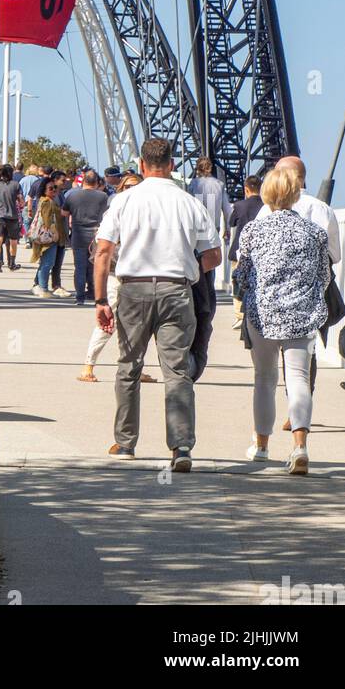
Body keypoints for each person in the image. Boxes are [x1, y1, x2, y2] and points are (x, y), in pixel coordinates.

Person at [93, 136, 221, 471]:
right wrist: (190, 270)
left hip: (133, 290)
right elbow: (214, 255)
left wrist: (100, 300)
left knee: (128, 367)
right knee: (176, 370)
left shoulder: (124, 201)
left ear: (141, 165)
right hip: (175, 290)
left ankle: (125, 442)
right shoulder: (190, 203)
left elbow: (104, 251)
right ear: (172, 165)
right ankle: (180, 446)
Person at [235, 165, 331, 475]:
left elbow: (241, 275)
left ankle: (262, 446)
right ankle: (300, 446)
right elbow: (324, 276)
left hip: (263, 314)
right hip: (301, 314)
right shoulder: (314, 232)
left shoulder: (253, 231)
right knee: (298, 378)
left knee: (264, 378)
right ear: (295, 193)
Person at [79, 173, 157, 384]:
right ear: (121, 188)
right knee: (108, 318)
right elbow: (103, 245)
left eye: (137, 186)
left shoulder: (150, 213)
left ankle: (136, 368)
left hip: (139, 274)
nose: (132, 190)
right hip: (116, 273)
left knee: (140, 325)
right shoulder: (116, 209)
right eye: (128, 186)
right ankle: (89, 365)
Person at [63, 168, 108, 305]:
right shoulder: (102, 196)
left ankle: (80, 297)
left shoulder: (72, 196)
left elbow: (64, 213)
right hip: (96, 234)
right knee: (95, 265)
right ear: (96, 182)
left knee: (79, 267)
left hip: (78, 233)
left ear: (83, 181)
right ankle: (95, 294)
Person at [229, 175, 263, 324]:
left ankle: (239, 316)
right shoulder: (266, 206)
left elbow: (232, 223)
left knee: (237, 282)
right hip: (259, 250)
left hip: (239, 250)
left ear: (246, 189)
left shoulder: (239, 206)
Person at [30, 177, 65, 295]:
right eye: (50, 188)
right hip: (48, 237)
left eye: (55, 187)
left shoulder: (49, 200)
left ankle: (39, 286)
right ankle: (43, 288)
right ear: (44, 190)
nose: (54, 190)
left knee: (46, 262)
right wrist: (54, 233)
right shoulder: (46, 202)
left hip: (49, 237)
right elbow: (47, 221)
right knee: (47, 263)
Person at [0, 164, 23, 272]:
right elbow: (21, 202)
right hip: (12, 217)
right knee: (13, 240)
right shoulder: (16, 184)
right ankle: (12, 264)